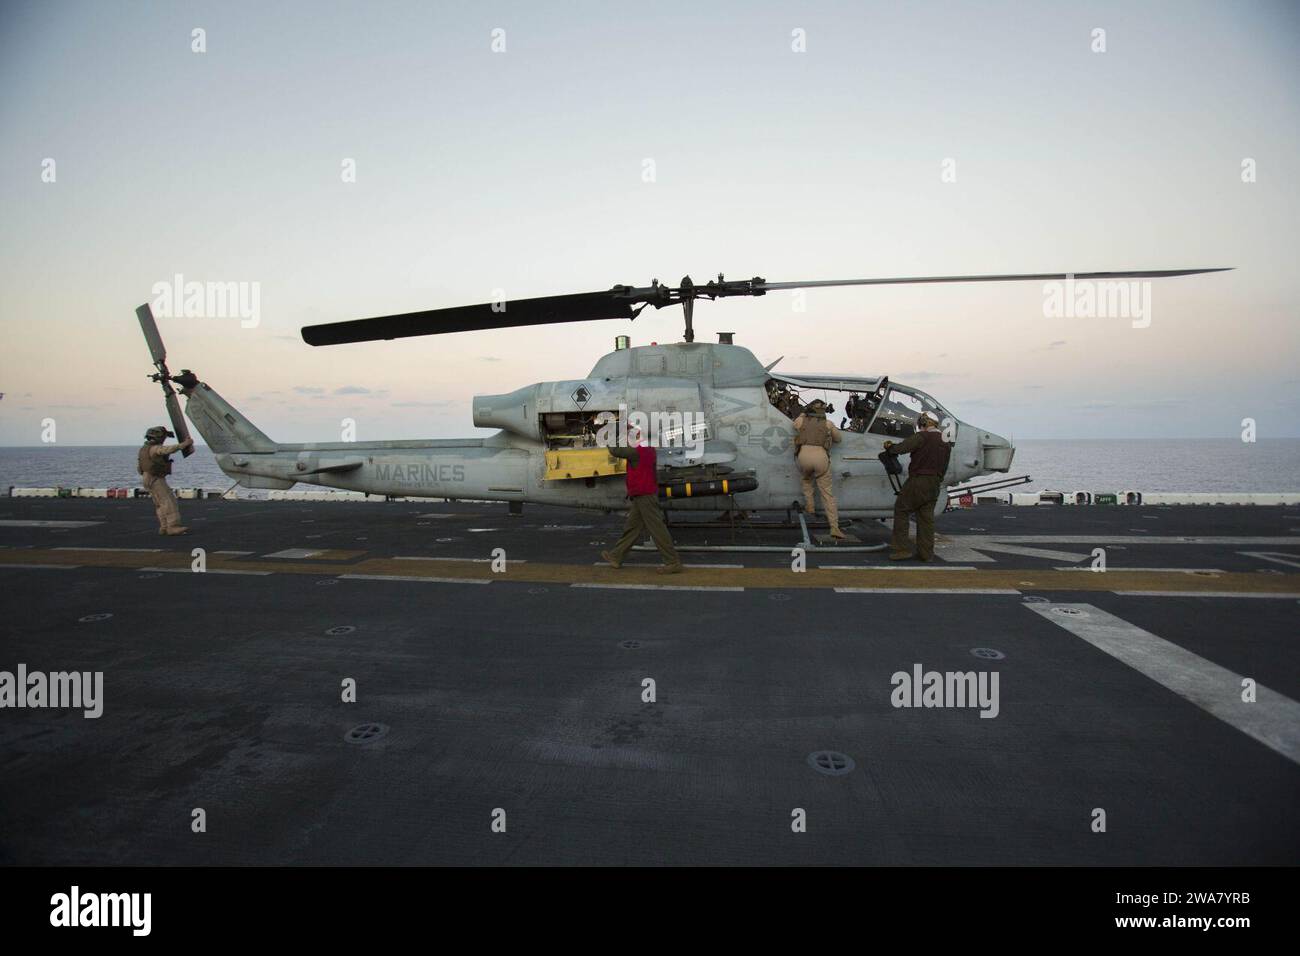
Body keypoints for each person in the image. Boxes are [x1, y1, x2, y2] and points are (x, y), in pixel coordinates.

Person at [601, 425, 683, 573]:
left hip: (644, 495)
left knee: (656, 528)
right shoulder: (648, 449)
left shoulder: (636, 451)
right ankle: (616, 556)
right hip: (644, 494)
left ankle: (672, 561)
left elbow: (615, 450)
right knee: (632, 528)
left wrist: (609, 435)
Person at [882, 411, 952, 561]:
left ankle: (901, 550)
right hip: (934, 483)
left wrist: (890, 448)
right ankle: (926, 554)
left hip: (918, 480)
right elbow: (945, 466)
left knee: (902, 510)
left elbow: (901, 448)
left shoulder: (922, 437)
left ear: (925, 423)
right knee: (926, 519)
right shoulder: (945, 442)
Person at [792, 399, 845, 538]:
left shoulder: (801, 421)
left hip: (803, 457)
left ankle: (810, 506)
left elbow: (795, 424)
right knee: (827, 494)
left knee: (806, 479)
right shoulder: (828, 424)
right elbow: (838, 439)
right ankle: (834, 527)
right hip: (820, 457)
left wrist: (804, 413)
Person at [138, 425, 193, 535]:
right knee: (169, 501)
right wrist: (184, 444)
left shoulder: (144, 449)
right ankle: (173, 526)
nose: (164, 439)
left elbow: (140, 467)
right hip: (155, 478)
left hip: (146, 477)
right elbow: (167, 450)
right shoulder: (155, 448)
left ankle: (164, 527)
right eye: (163, 437)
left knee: (160, 504)